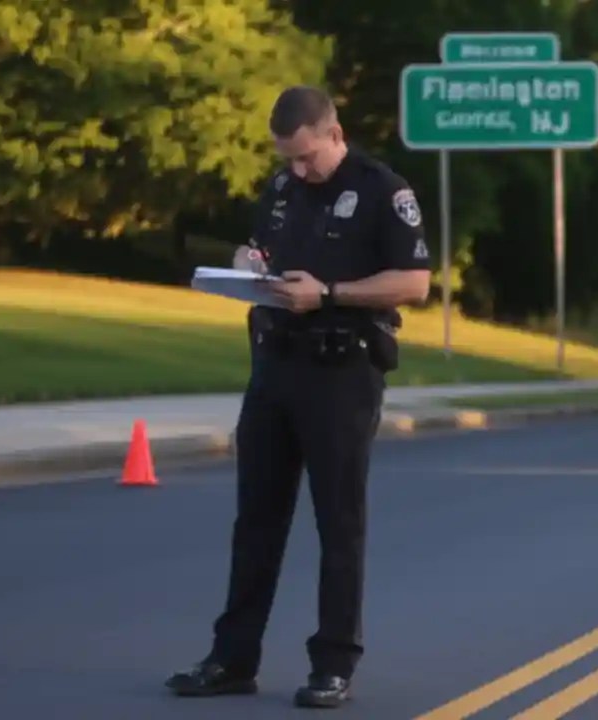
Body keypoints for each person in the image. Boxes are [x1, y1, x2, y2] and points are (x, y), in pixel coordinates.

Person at [165, 85, 431, 708]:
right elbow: (264, 247)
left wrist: (330, 294)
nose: (298, 169)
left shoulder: (382, 190)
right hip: (274, 367)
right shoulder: (283, 189)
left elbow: (414, 282)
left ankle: (333, 664)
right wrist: (248, 262)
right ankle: (232, 659)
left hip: (341, 373)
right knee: (255, 520)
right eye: (288, 157)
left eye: (308, 156)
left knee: (337, 522)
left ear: (334, 134)